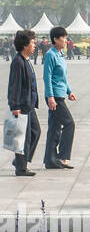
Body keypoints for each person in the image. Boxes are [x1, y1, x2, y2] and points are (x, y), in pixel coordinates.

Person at [41, 26, 75, 171]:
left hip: (61, 94)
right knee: (69, 124)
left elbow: (62, 77)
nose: (65, 40)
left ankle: (50, 160)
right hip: (54, 97)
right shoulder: (50, 55)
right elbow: (47, 77)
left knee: (54, 128)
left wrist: (69, 91)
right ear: (55, 39)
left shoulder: (60, 55)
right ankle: (62, 157)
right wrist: (50, 97)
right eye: (63, 38)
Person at [7, 30, 41, 176]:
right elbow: (15, 85)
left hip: (29, 104)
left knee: (35, 132)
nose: (34, 45)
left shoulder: (25, 60)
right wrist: (14, 106)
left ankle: (20, 160)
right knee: (23, 137)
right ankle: (21, 168)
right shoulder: (18, 62)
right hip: (22, 105)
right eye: (32, 42)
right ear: (25, 45)